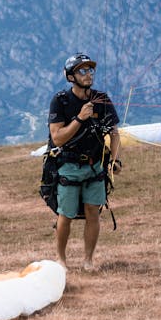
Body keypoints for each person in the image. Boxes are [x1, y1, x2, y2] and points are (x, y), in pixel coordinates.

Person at [47, 53, 121, 271]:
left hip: (94, 165)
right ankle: (61, 259)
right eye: (82, 71)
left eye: (90, 70)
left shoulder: (102, 99)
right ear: (71, 76)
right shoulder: (60, 101)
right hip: (69, 165)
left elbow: (115, 134)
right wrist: (80, 118)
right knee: (66, 214)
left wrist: (114, 160)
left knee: (93, 212)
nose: (88, 74)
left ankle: (88, 260)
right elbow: (57, 137)